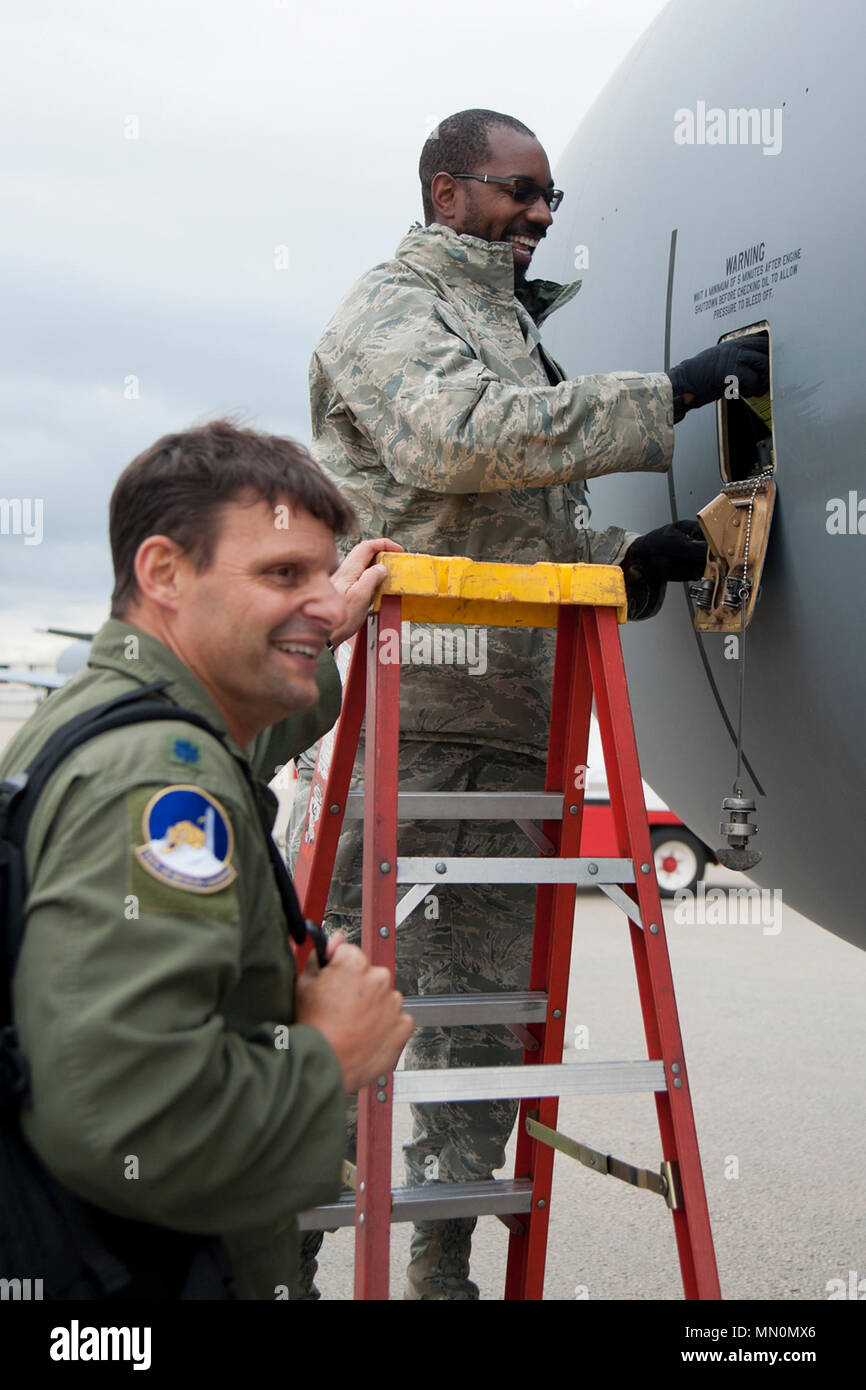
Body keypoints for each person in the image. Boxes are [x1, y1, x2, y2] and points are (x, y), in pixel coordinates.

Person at [289, 109, 769, 1299]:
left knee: (485, 1020)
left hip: (513, 718)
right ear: (446, 193)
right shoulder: (391, 310)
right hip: (413, 714)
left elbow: (518, 523)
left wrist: (622, 563)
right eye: (520, 192)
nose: (542, 216)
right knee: (338, 1007)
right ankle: (276, 1257)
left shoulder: (509, 325)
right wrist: (669, 394)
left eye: (550, 196)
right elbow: (457, 444)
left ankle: (443, 1258)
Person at [0, 419, 413, 1300]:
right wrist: (329, 1058)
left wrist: (303, 632)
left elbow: (229, 748)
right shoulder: (155, 778)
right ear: (164, 573)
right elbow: (128, 1121)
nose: (328, 603)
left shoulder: (115, 720)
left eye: (323, 574)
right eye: (280, 573)